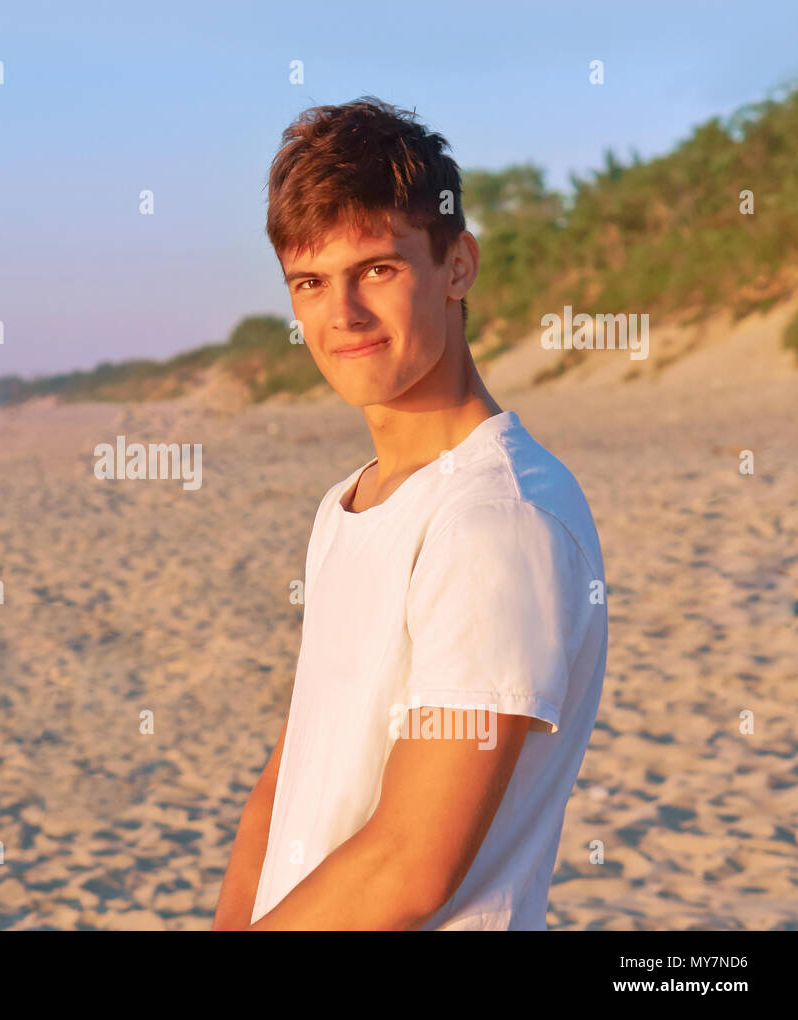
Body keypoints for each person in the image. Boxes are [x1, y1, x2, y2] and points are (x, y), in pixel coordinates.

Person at [212, 97, 608, 930]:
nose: (342, 315)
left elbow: (410, 864)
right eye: (311, 283)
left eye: (378, 270)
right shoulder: (350, 502)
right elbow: (288, 780)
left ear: (457, 265)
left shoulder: (497, 520)